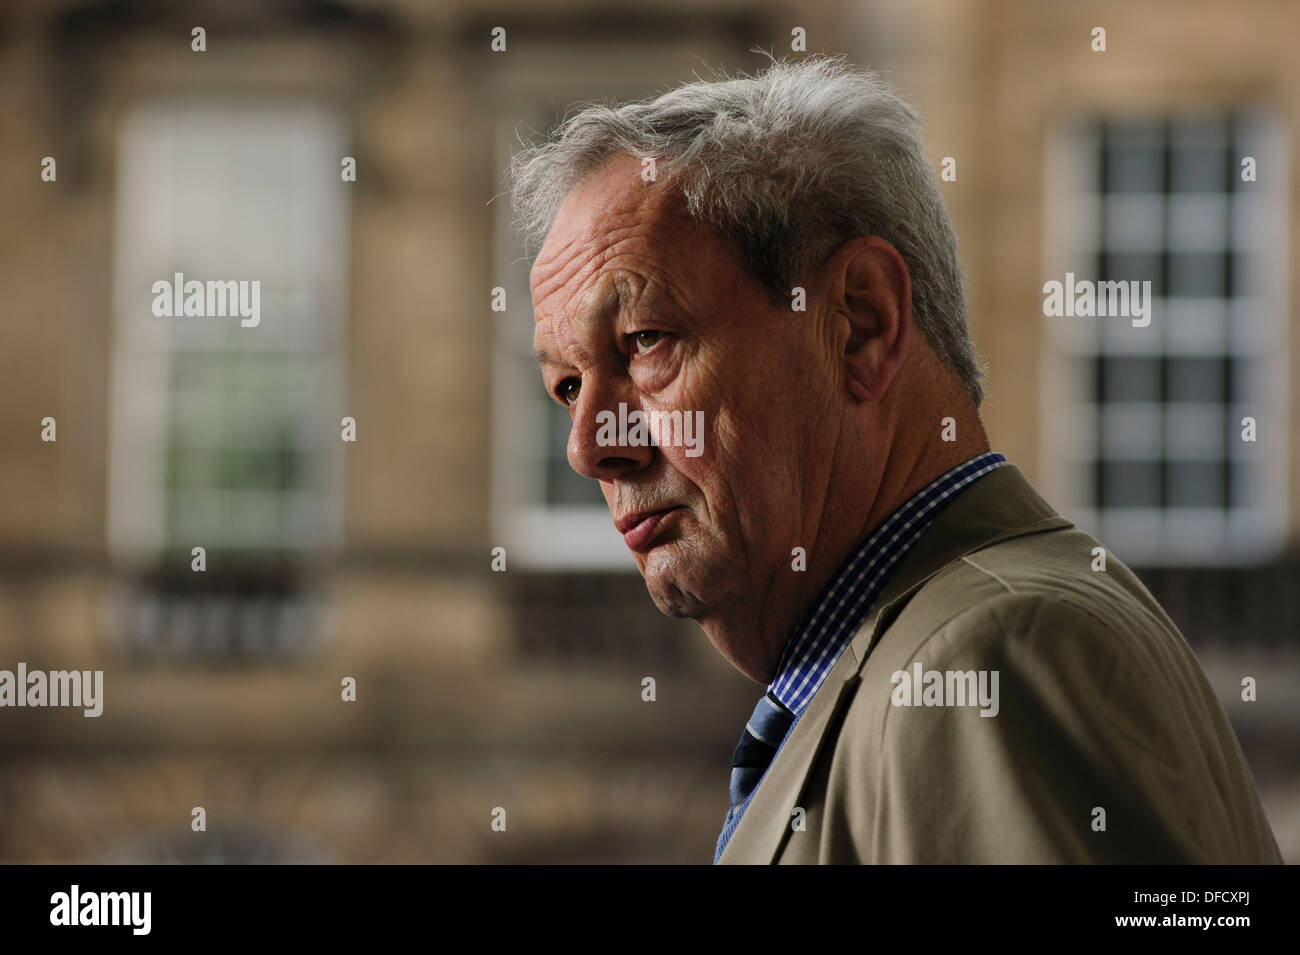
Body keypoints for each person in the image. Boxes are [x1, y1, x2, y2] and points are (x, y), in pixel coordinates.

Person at [509, 54, 1282, 864]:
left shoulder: (987, 660)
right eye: (566, 385)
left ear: (860, 323)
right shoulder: (914, 662)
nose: (588, 446)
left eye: (644, 341)